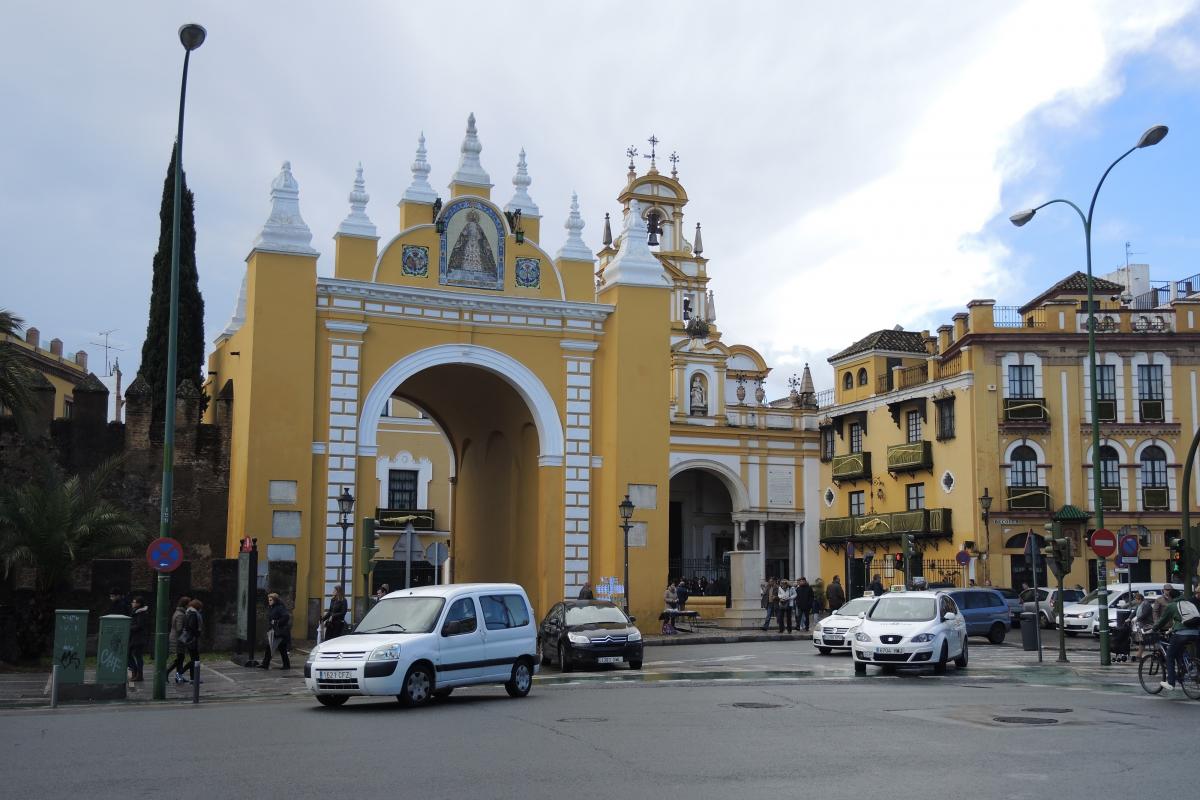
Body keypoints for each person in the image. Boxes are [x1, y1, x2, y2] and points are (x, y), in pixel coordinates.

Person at [1152, 586, 1200, 692]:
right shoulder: (1189, 604)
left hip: (1182, 634)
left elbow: (1163, 620)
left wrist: (1153, 629)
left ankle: (1171, 682)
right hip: (1196, 633)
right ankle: (1183, 671)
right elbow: (1181, 619)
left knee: (1169, 655)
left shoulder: (1172, 605)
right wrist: (1172, 629)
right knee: (1179, 652)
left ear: (1170, 597)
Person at [171, 599, 203, 684]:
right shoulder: (193, 614)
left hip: (189, 639)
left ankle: (193, 678)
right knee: (195, 660)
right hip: (192, 639)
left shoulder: (188, 612)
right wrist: (197, 633)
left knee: (194, 659)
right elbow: (191, 626)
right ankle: (180, 673)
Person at [260, 593, 292, 670]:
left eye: (271, 600)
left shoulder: (280, 607)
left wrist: (277, 622)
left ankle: (266, 664)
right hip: (275, 631)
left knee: (277, 648)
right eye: (268, 600)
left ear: (275, 600)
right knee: (274, 648)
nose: (269, 601)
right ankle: (266, 664)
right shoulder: (272, 607)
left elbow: (286, 616)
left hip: (279, 632)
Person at [127, 596, 149, 682]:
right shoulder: (136, 611)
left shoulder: (141, 613)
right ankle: (135, 672)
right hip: (134, 637)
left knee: (137, 656)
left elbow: (139, 625)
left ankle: (139, 674)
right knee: (129, 654)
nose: (132, 603)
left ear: (139, 604)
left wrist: (129, 628)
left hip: (138, 638)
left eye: (134, 602)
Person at [168, 596, 190, 673]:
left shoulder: (178, 612)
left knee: (180, 658)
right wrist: (187, 629)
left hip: (177, 638)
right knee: (180, 658)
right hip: (178, 639)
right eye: (188, 604)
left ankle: (178, 675)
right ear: (185, 604)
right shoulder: (181, 614)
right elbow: (179, 628)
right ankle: (167, 671)